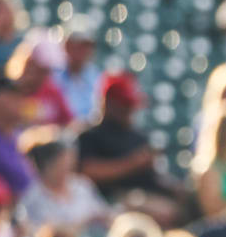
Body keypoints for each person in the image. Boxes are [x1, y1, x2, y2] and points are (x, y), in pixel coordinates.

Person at [76, 72, 177, 219]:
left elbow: (154, 178)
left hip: (146, 194)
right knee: (165, 212)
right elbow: (88, 172)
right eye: (124, 105)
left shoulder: (138, 136)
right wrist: (133, 163)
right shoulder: (90, 135)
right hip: (111, 201)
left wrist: (177, 189)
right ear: (108, 103)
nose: (129, 111)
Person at [17, 132, 110, 230]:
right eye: (61, 164)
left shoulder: (82, 185)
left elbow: (105, 212)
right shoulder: (33, 196)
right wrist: (84, 223)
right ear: (48, 166)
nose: (67, 168)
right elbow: (39, 231)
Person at [54, 20, 102, 120]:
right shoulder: (52, 75)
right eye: (78, 45)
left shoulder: (98, 78)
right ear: (66, 45)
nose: (84, 50)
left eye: (87, 45)